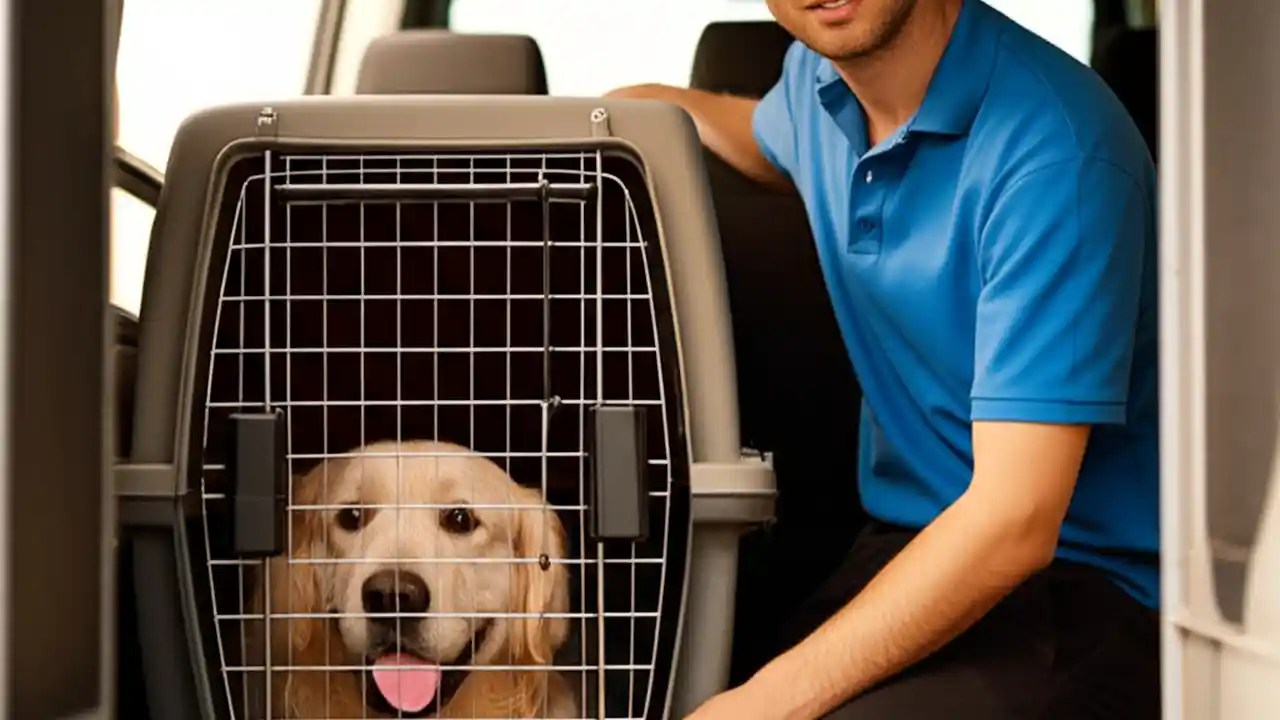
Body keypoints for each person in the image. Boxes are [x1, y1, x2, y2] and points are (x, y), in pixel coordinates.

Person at [608, 0, 1159, 718]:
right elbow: (761, 136)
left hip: (1079, 586)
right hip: (910, 543)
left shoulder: (1059, 157)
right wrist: (636, 108)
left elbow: (1016, 522)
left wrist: (764, 703)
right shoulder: (817, 83)